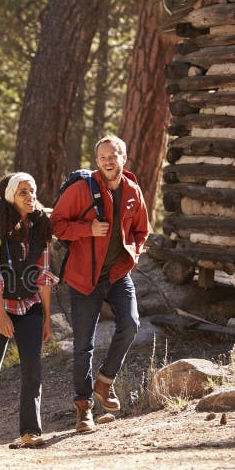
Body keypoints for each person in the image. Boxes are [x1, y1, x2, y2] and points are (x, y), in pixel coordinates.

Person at [50, 135, 149, 433]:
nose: (109, 160)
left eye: (114, 154)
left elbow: (142, 229)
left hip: (117, 274)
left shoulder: (132, 190)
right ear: (97, 161)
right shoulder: (82, 189)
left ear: (124, 158)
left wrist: (131, 253)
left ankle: (104, 382)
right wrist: (87, 229)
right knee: (83, 346)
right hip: (84, 278)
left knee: (131, 324)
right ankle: (84, 408)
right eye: (104, 156)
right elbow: (56, 224)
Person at [0, 172, 57, 450]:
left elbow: (43, 274)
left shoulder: (40, 226)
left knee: (33, 368)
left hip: (29, 304)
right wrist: (2, 316)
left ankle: (30, 431)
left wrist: (46, 318)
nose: (30, 197)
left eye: (33, 192)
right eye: (23, 193)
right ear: (11, 196)